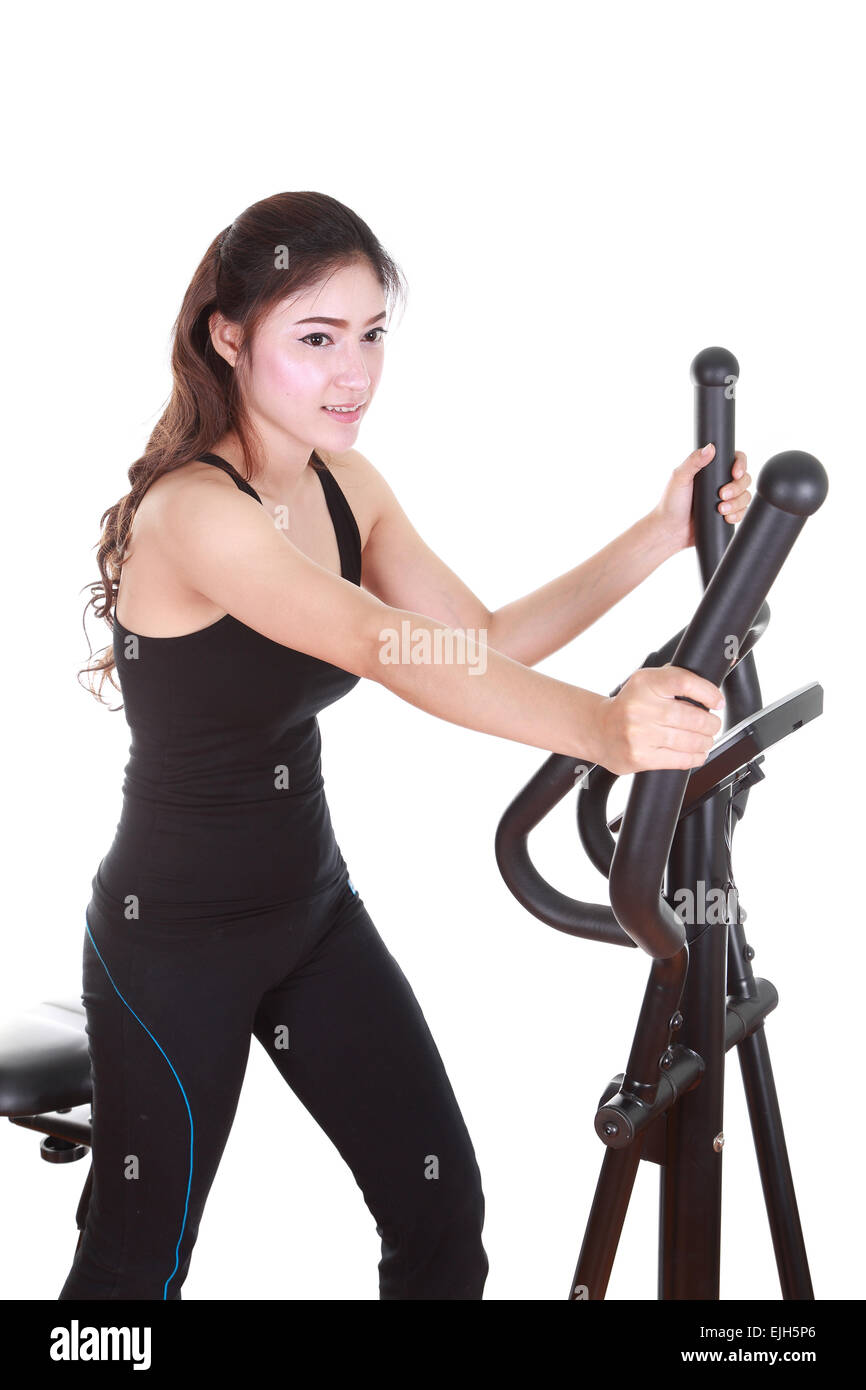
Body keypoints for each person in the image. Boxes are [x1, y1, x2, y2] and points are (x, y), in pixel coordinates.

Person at [61, 190, 751, 1301]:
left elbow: (468, 639)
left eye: (372, 334)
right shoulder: (193, 512)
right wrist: (594, 727)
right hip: (170, 943)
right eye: (316, 338)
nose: (354, 373)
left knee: (439, 1207)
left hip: (311, 913)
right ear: (228, 338)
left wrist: (657, 537)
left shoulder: (345, 485)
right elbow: (379, 641)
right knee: (133, 1274)